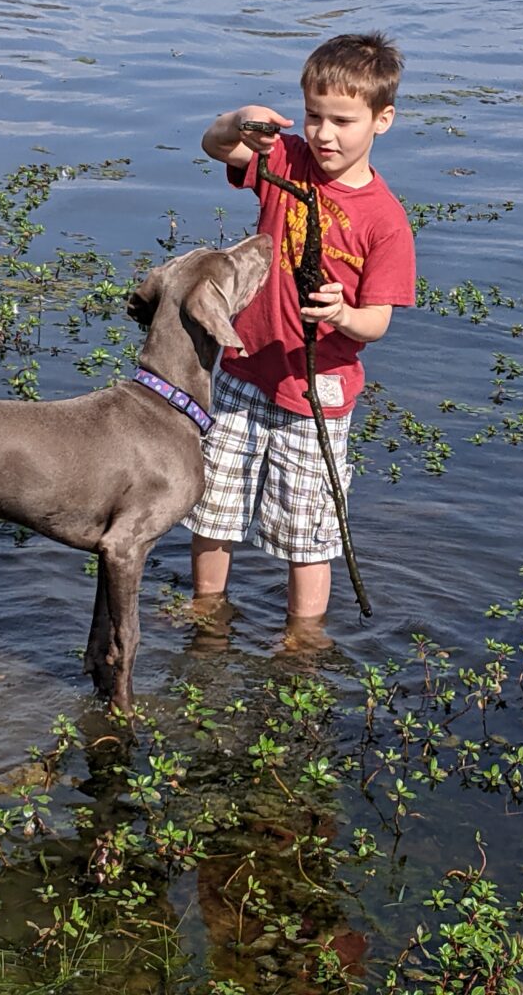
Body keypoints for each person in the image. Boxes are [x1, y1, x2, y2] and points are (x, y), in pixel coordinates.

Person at [183, 31, 416, 626]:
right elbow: (214, 146)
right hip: (241, 369)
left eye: (343, 120)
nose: (324, 134)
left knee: (308, 531)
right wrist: (236, 120)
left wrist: (341, 314)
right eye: (314, 116)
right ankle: (206, 610)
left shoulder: (386, 222)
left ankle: (302, 636)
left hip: (317, 391)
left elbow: (377, 323)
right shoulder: (284, 161)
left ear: (381, 120)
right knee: (212, 508)